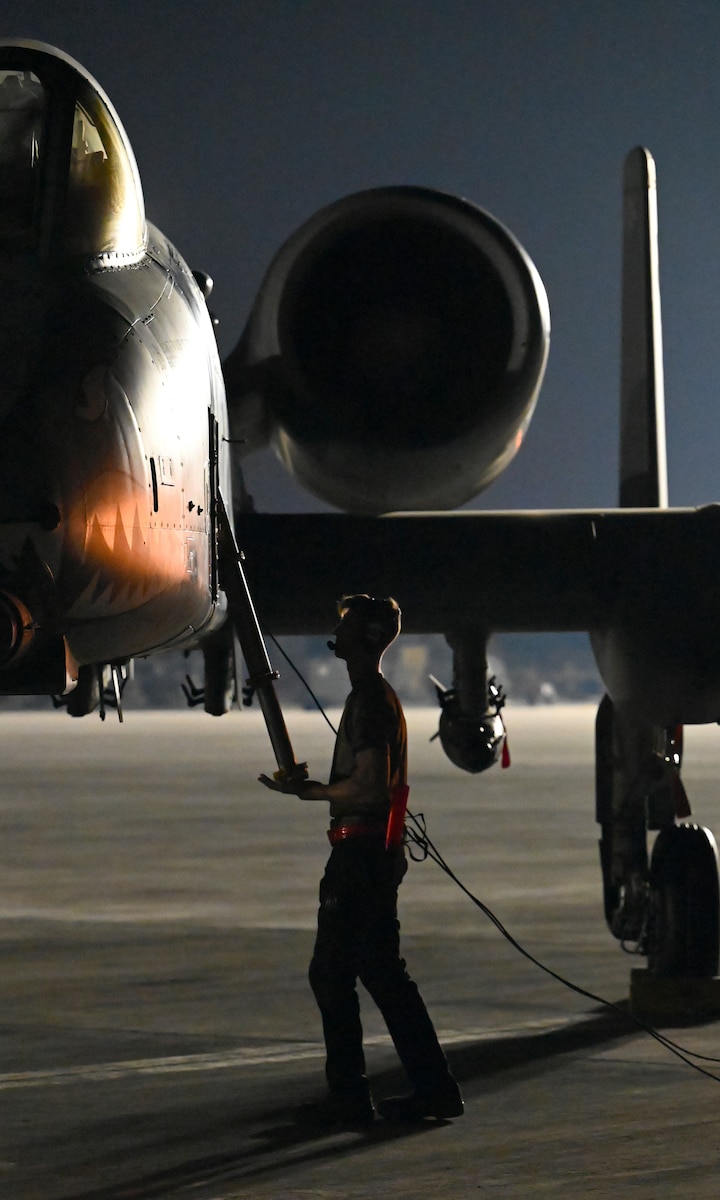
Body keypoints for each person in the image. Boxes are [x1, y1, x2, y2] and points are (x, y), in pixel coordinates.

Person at [259, 594, 463, 1127]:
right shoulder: (370, 696)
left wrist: (311, 793)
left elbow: (371, 782)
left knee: (332, 973)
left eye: (348, 624)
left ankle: (350, 1097)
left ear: (366, 638)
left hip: (361, 852)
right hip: (376, 850)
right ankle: (435, 1089)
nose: (338, 630)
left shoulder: (370, 699)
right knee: (382, 973)